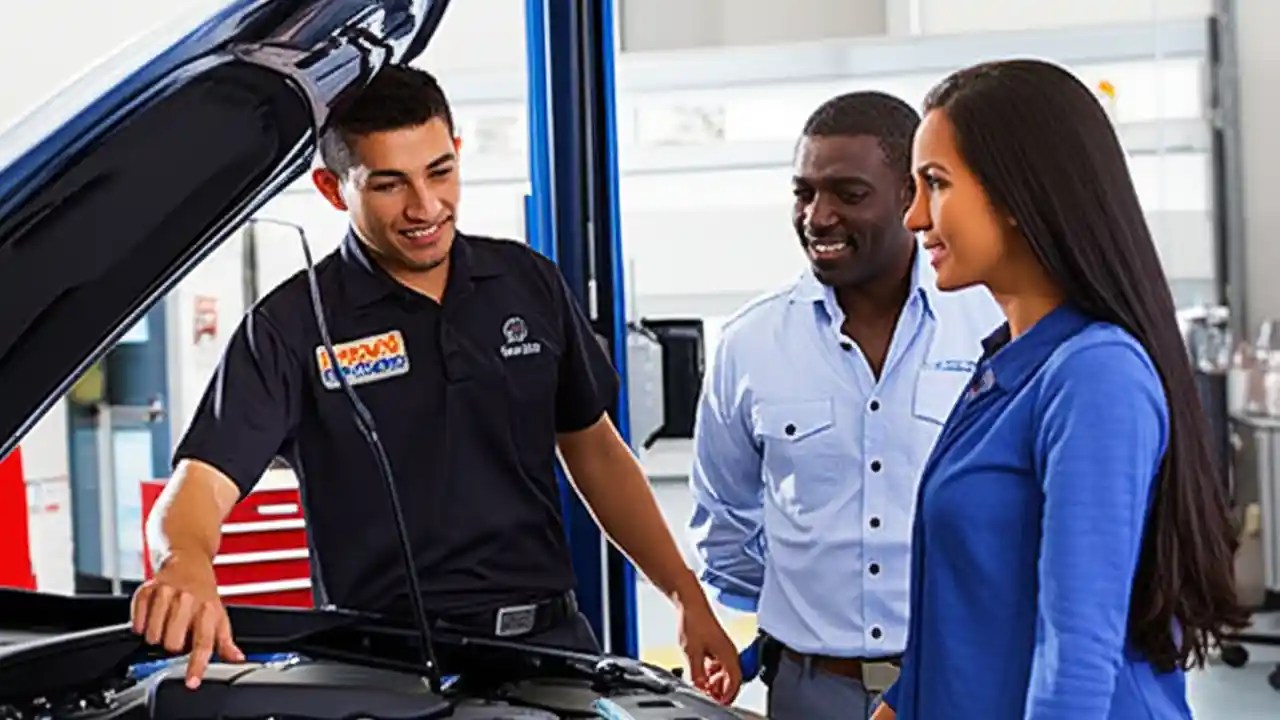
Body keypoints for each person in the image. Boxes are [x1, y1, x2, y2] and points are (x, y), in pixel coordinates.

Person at [129, 64, 742, 703]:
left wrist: (684, 594)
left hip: (552, 652)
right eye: (389, 185)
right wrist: (185, 565)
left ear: (457, 154)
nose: (425, 207)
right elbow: (197, 486)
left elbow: (595, 451)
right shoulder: (289, 327)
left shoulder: (527, 281)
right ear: (334, 190)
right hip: (382, 673)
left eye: (440, 172)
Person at [871, 59, 1248, 719]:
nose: (912, 216)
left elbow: (1075, 659)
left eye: (936, 183)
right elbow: (976, 621)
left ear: (1018, 195)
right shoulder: (1008, 367)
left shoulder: (1093, 375)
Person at [686, 91, 1003, 719]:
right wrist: (800, 614)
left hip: (959, 683)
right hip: (811, 691)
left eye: (848, 195)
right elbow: (723, 520)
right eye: (803, 193)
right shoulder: (750, 344)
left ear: (912, 198)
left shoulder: (992, 326)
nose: (818, 216)